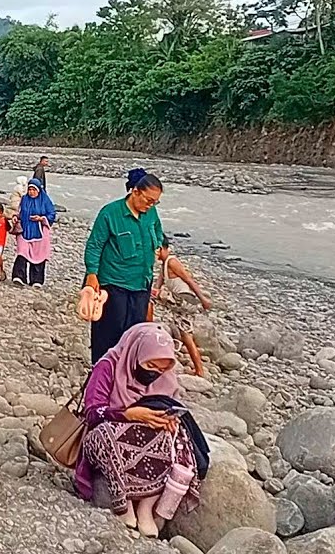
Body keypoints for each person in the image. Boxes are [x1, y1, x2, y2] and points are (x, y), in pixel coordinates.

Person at [76, 323, 205, 537]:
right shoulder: (109, 366)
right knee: (107, 435)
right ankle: (123, 503)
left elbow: (170, 403)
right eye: (151, 366)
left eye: (162, 369)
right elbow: (92, 414)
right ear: (137, 354)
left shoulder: (166, 377)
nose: (156, 373)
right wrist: (127, 414)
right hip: (104, 437)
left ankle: (146, 506)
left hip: (145, 440)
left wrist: (166, 421)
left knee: (175, 437)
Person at [82, 169, 166, 363]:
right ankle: (102, 370)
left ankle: (126, 370)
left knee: (136, 330)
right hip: (113, 282)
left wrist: (158, 246)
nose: (150, 205)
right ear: (135, 191)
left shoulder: (151, 213)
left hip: (141, 282)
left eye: (155, 202)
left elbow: (158, 232)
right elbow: (94, 245)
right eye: (148, 200)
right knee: (109, 330)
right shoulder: (110, 213)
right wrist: (92, 274)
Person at [153, 240, 212, 376]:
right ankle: (198, 367)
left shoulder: (172, 262)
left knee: (186, 336)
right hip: (177, 304)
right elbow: (157, 287)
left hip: (184, 301)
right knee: (186, 334)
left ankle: (199, 370)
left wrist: (203, 299)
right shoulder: (164, 266)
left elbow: (189, 280)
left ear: (161, 248)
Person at [12, 178, 56, 287]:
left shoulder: (45, 201)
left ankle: (36, 280)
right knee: (22, 252)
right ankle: (19, 276)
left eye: (34, 190)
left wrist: (41, 218)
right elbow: (19, 212)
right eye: (30, 189)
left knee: (38, 256)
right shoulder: (24, 199)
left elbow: (52, 214)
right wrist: (15, 217)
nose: (31, 192)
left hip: (40, 232)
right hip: (25, 231)